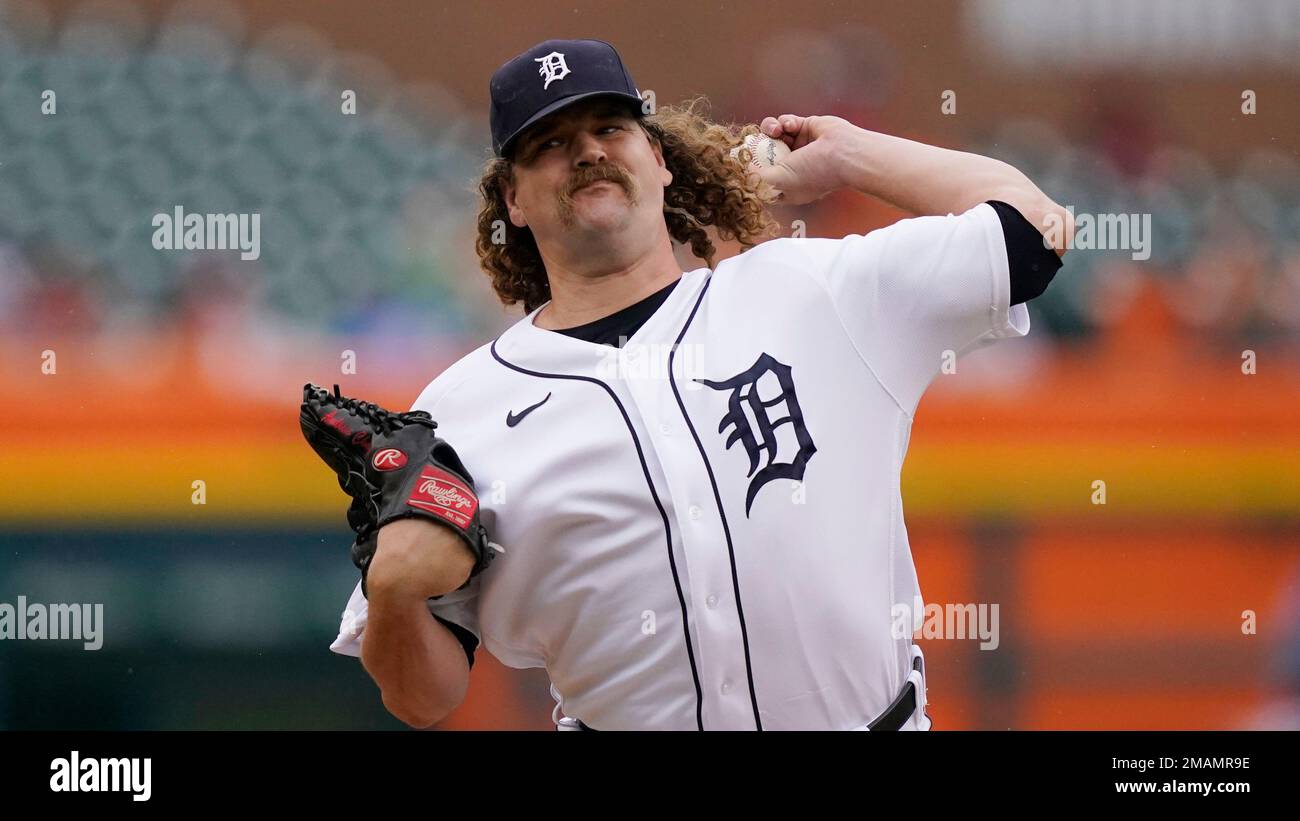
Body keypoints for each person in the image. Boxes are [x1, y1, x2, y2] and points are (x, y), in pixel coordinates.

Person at [329, 38, 1071, 730]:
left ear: (659, 160)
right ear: (513, 202)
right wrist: (393, 593)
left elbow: (1034, 230)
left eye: (609, 128)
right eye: (550, 144)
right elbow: (423, 697)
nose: (587, 151)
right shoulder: (460, 410)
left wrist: (848, 155)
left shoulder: (813, 291)